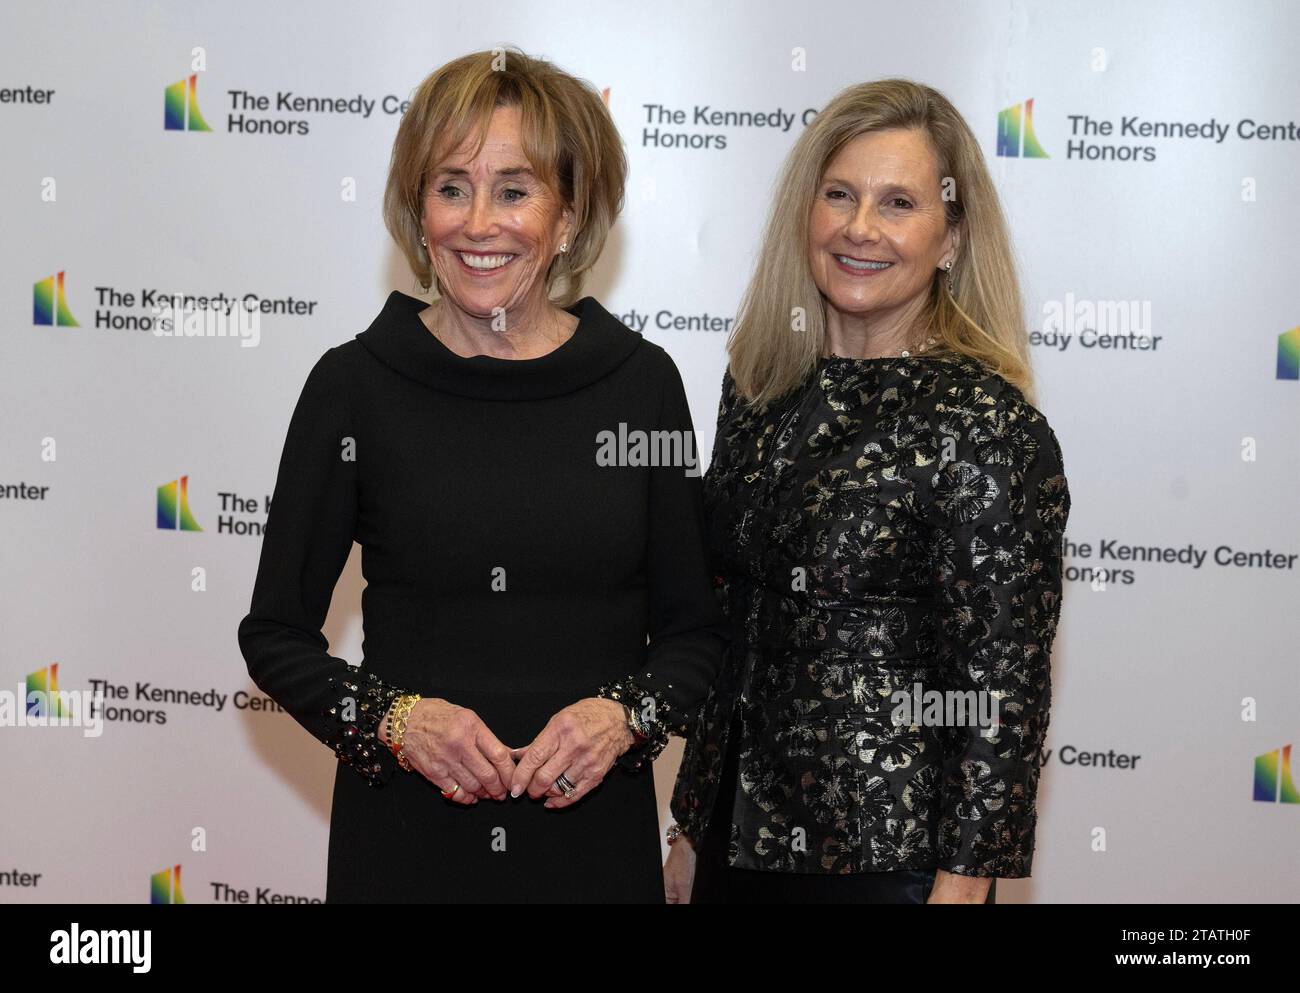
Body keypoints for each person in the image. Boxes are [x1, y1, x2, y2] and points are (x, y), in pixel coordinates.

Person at [238, 48, 726, 903]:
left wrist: (623, 717)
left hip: (591, 847)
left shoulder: (642, 385)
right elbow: (274, 634)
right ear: (417, 211)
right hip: (405, 848)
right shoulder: (354, 386)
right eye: (450, 186)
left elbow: (698, 637)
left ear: (569, 213)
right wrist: (398, 720)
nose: (477, 222)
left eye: (514, 189)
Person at [664, 78, 1071, 904]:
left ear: (951, 237)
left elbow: (998, 688)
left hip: (889, 863)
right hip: (730, 842)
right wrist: (688, 825)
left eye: (898, 204)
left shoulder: (985, 424)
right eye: (840, 195)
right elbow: (733, 626)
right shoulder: (759, 387)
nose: (860, 228)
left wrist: (962, 886)